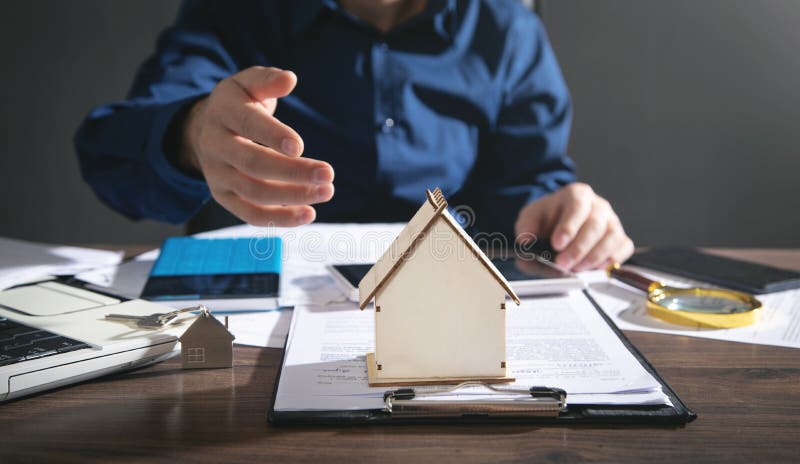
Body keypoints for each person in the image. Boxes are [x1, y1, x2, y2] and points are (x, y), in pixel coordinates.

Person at [74, 0, 633, 271]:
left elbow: (526, 179)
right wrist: (193, 135)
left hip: (443, 312)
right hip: (251, 316)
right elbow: (113, 153)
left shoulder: (505, 25)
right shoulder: (237, 10)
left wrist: (561, 211)